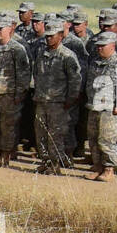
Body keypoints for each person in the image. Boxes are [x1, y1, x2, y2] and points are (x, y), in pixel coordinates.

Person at [33, 15, 81, 175]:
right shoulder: (41, 53)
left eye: (51, 36)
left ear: (60, 36)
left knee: (56, 135)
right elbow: (36, 74)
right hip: (41, 101)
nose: (48, 39)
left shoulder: (67, 56)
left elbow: (75, 81)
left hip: (58, 103)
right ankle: (45, 162)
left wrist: (69, 101)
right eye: (46, 36)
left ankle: (55, 164)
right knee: (40, 134)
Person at [0, 12, 31, 166]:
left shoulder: (17, 49)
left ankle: (6, 155)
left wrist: (19, 94)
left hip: (9, 95)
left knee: (8, 126)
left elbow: (23, 75)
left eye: (0, 29)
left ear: (9, 29)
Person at [84, 31, 117, 182]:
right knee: (93, 138)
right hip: (94, 106)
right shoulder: (95, 61)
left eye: (103, 46)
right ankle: (98, 167)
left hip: (110, 108)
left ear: (112, 45)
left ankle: (109, 170)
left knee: (107, 139)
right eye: (98, 46)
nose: (99, 48)